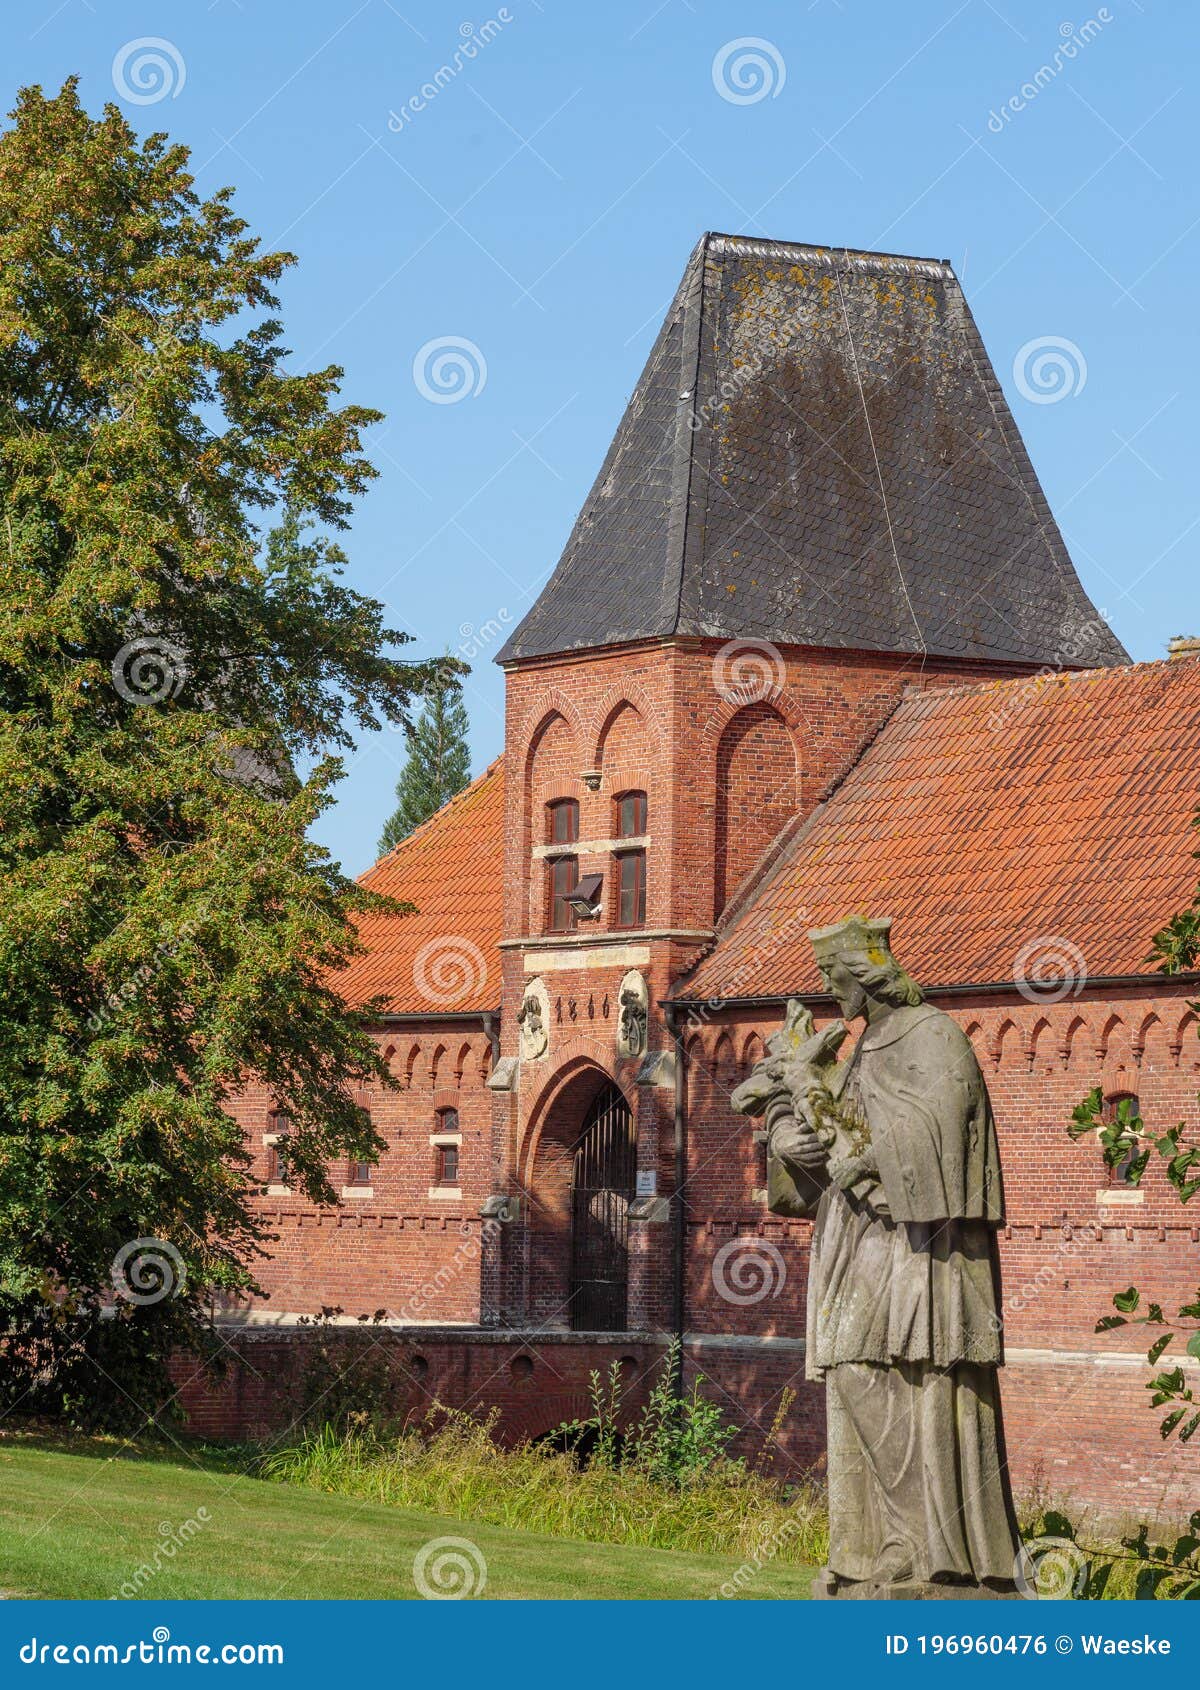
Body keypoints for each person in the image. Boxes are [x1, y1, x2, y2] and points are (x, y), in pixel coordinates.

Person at [767, 915, 1021, 1597]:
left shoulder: (931, 1035)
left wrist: (875, 1158)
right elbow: (845, 1133)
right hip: (859, 1243)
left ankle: (928, 1551)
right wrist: (796, 1139)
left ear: (865, 973)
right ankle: (869, 1553)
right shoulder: (865, 1047)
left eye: (833, 977)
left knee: (894, 1376)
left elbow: (945, 1129)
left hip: (921, 1250)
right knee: (853, 1374)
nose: (829, 991)